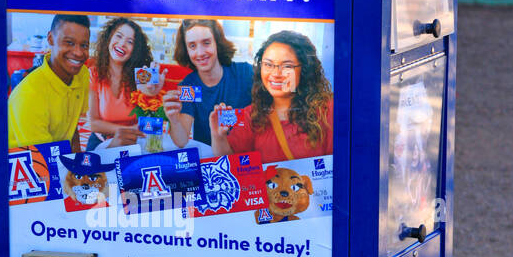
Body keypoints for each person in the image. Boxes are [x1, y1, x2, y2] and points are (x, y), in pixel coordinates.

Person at [209, 30, 333, 163]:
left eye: (287, 66)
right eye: (268, 64)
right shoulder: (250, 116)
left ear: (304, 70)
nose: (276, 73)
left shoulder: (328, 110)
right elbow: (232, 165)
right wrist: (218, 136)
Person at [162, 17, 253, 147]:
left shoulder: (245, 73)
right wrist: (174, 120)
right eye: (192, 46)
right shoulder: (189, 86)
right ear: (186, 51)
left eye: (206, 43)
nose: (200, 53)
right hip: (213, 161)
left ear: (217, 43)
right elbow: (181, 141)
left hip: (247, 159)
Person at [7, 13, 91, 150]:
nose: (78, 53)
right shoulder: (29, 95)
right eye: (69, 42)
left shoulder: (82, 74)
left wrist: (78, 164)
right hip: (24, 165)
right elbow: (42, 161)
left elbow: (73, 128)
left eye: (84, 45)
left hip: (55, 157)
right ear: (51, 39)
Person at [85, 16, 153, 148]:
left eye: (130, 42)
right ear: (109, 38)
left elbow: (150, 120)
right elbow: (93, 123)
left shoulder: (142, 74)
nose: (122, 44)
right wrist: (127, 131)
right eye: (119, 36)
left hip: (134, 142)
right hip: (101, 142)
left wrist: (151, 91)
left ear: (135, 49)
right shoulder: (94, 74)